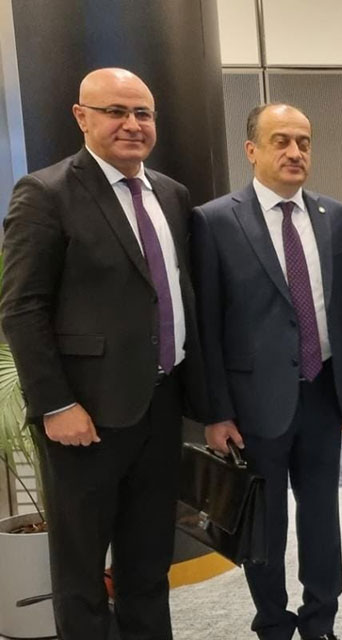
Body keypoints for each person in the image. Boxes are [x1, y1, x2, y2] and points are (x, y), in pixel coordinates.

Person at [0, 67, 205, 640]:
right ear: (81, 117)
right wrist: (56, 404)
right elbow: (22, 308)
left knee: (149, 561)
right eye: (116, 111)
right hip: (83, 417)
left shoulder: (171, 194)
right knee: (81, 571)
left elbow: (176, 294)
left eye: (143, 113)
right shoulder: (45, 193)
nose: (132, 124)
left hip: (161, 406)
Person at [193, 103, 342, 640]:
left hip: (323, 391)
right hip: (254, 403)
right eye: (281, 141)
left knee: (322, 518)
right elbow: (206, 327)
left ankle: (321, 621)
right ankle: (272, 621)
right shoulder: (215, 220)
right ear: (252, 150)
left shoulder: (335, 216)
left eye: (303, 142)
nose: (295, 152)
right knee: (265, 524)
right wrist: (216, 411)